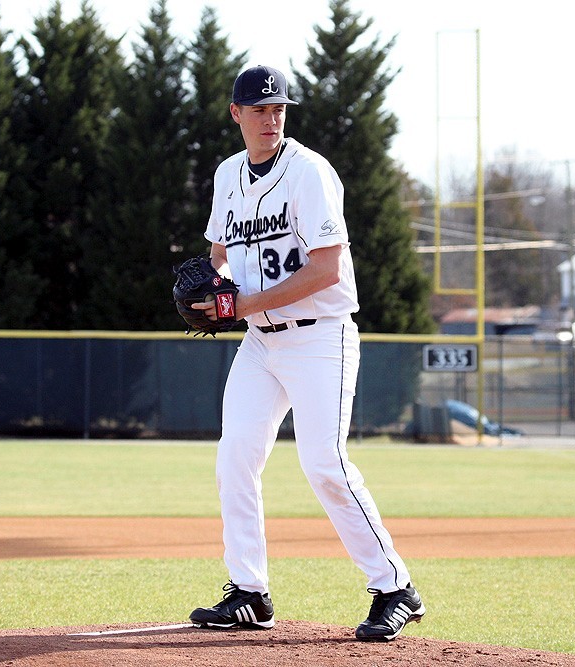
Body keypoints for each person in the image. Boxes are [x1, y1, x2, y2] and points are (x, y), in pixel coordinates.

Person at [187, 64, 425, 642]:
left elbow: (326, 268)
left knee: (324, 462)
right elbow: (220, 252)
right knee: (235, 456)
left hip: (321, 336)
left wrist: (239, 306)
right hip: (261, 341)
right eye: (260, 109)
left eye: (279, 109)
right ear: (236, 114)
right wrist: (210, 285)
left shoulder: (310, 172)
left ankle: (395, 587)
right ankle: (249, 592)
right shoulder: (227, 175)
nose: (271, 118)